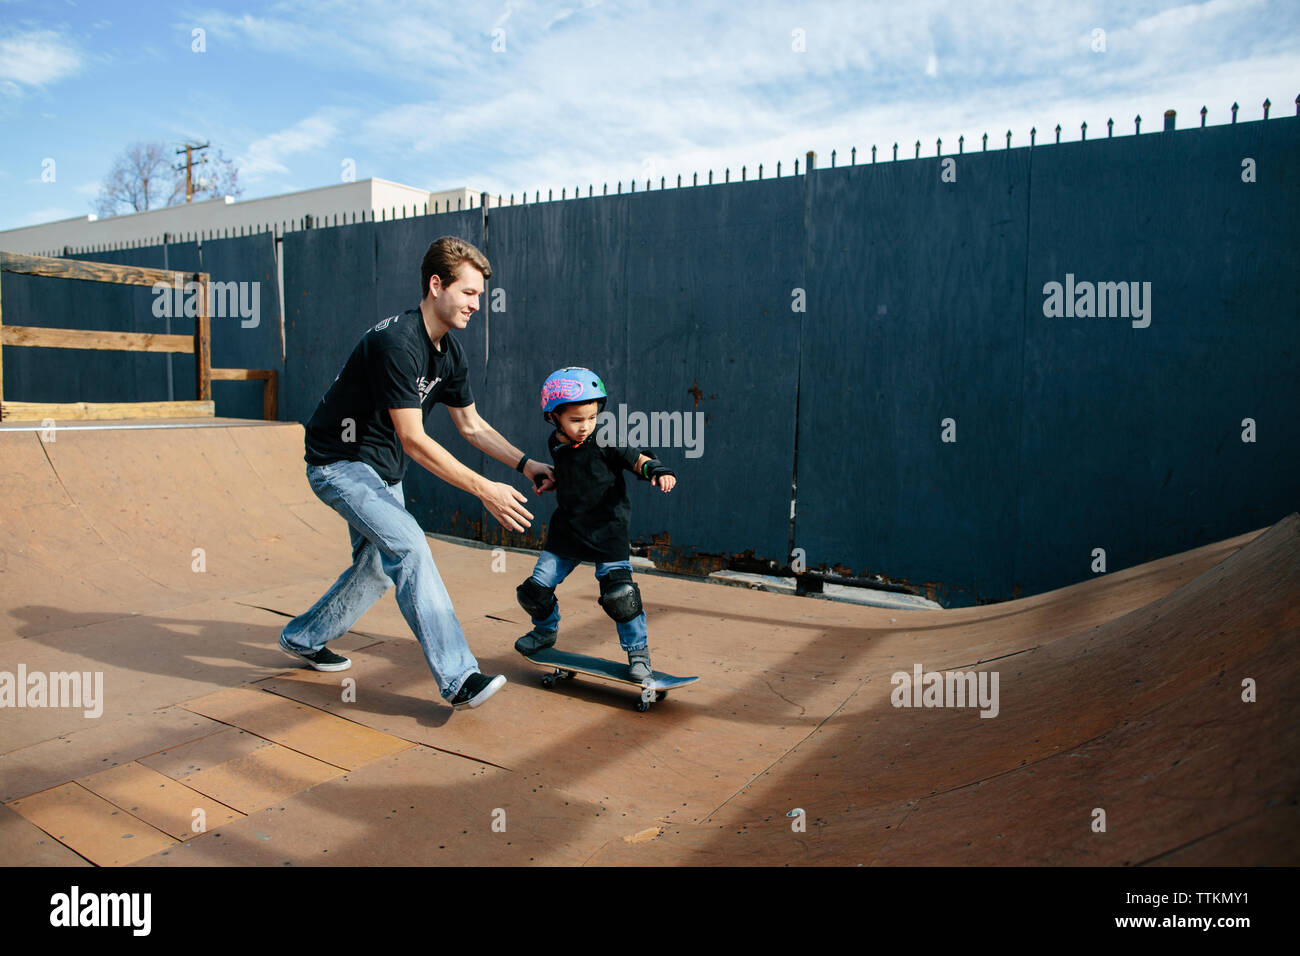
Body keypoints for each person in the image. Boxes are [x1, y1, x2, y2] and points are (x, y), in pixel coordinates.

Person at [279, 236, 554, 710]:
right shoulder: (397, 342)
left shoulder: (449, 353)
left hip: (382, 471)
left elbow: (471, 424)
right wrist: (483, 488)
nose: (476, 305)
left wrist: (525, 463)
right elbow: (414, 440)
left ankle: (302, 637)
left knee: (377, 569)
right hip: (338, 463)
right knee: (408, 546)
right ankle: (459, 678)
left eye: (480, 297)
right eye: (469, 293)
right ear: (436, 285)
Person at [514, 367, 677, 681]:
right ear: (553, 417)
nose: (585, 426)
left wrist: (657, 470)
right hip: (568, 532)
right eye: (576, 420)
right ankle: (545, 632)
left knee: (620, 596)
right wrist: (554, 482)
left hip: (608, 531)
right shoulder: (557, 443)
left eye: (591, 417)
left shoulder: (608, 437)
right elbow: (576, 474)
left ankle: (638, 654)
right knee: (533, 592)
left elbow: (637, 459)